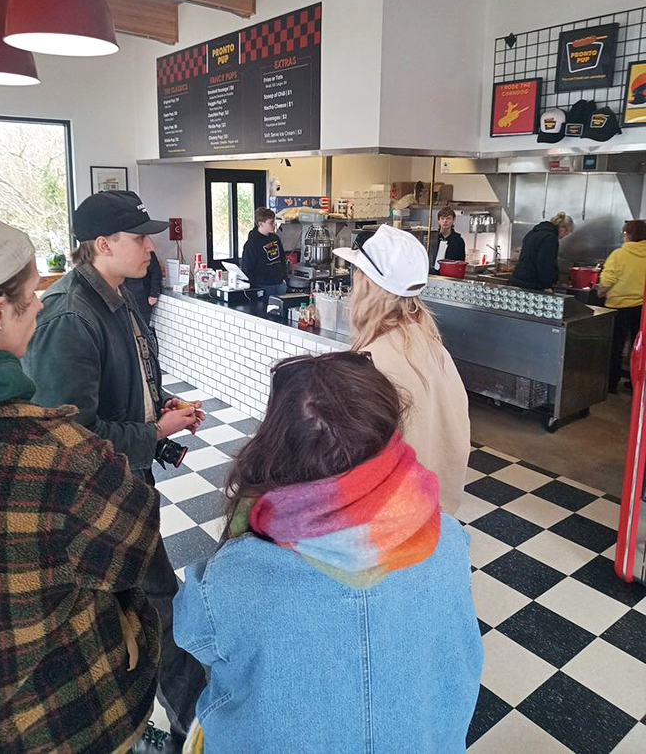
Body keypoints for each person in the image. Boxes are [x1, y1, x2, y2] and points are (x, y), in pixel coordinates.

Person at [173, 352, 483, 754]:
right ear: (390, 438)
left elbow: (193, 636)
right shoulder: (447, 539)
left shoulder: (233, 575)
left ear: (274, 445)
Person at [0, 215, 161, 754]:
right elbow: (133, 545)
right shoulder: (58, 461)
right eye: (31, 294)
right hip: (54, 717)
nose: (42, 304)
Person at [22, 190, 206, 754]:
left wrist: (160, 405)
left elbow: (126, 383)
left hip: (127, 487)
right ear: (103, 244)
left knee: (145, 611)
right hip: (99, 502)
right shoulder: (71, 316)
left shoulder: (117, 297)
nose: (152, 246)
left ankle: (164, 726)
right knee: (158, 610)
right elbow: (71, 439)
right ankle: (188, 732)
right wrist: (155, 432)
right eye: (139, 237)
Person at [336, 224, 470, 514]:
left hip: (388, 528)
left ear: (367, 285)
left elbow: (348, 469)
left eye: (357, 274)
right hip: (434, 519)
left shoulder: (369, 364)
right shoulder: (435, 349)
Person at [598, 219, 646, 393]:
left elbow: (608, 280)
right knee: (638, 347)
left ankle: (611, 384)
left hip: (618, 306)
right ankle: (636, 384)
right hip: (641, 308)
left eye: (624, 233)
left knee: (615, 346)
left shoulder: (619, 254)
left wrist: (601, 291)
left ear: (629, 235)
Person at [510, 211, 575, 291]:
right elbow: (545, 264)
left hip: (519, 279)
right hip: (532, 284)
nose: (563, 237)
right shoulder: (550, 238)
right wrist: (547, 286)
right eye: (566, 234)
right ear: (563, 229)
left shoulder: (533, 232)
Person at [240, 206, 287, 295]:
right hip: (263, 286)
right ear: (261, 224)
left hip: (279, 283)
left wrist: (284, 278)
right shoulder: (252, 243)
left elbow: (282, 258)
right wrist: (254, 288)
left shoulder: (275, 238)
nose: (274, 225)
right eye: (271, 223)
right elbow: (247, 268)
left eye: (274, 222)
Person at [125, 250, 163, 326]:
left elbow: (156, 272)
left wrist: (154, 294)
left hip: (141, 296)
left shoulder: (145, 250)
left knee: (142, 327)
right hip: (124, 295)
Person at [428, 205, 466, 273]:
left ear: (453, 220)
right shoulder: (432, 238)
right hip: (431, 273)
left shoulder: (458, 241)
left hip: (450, 274)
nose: (445, 221)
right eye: (442, 218)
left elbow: (460, 262)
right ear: (438, 221)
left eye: (448, 218)